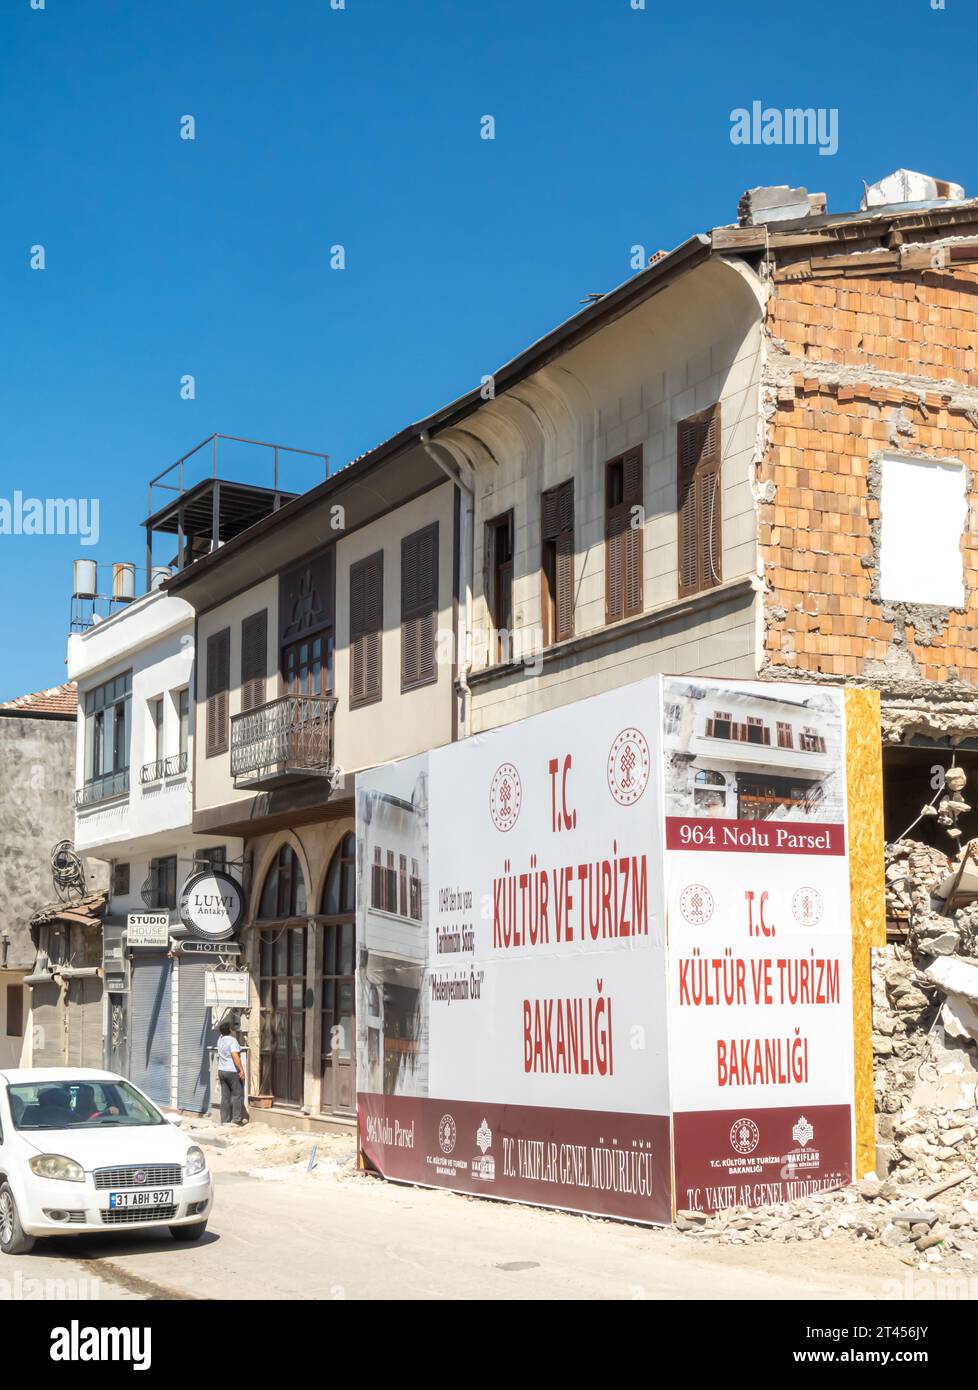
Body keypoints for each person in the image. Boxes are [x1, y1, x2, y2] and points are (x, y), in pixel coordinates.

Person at [217, 1019, 246, 1125]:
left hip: (222, 1070)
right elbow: (235, 1056)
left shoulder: (220, 1039)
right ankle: (236, 1119)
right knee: (237, 1095)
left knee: (225, 1096)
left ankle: (224, 1120)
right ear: (229, 1030)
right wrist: (241, 1070)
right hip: (232, 1071)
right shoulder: (232, 1041)